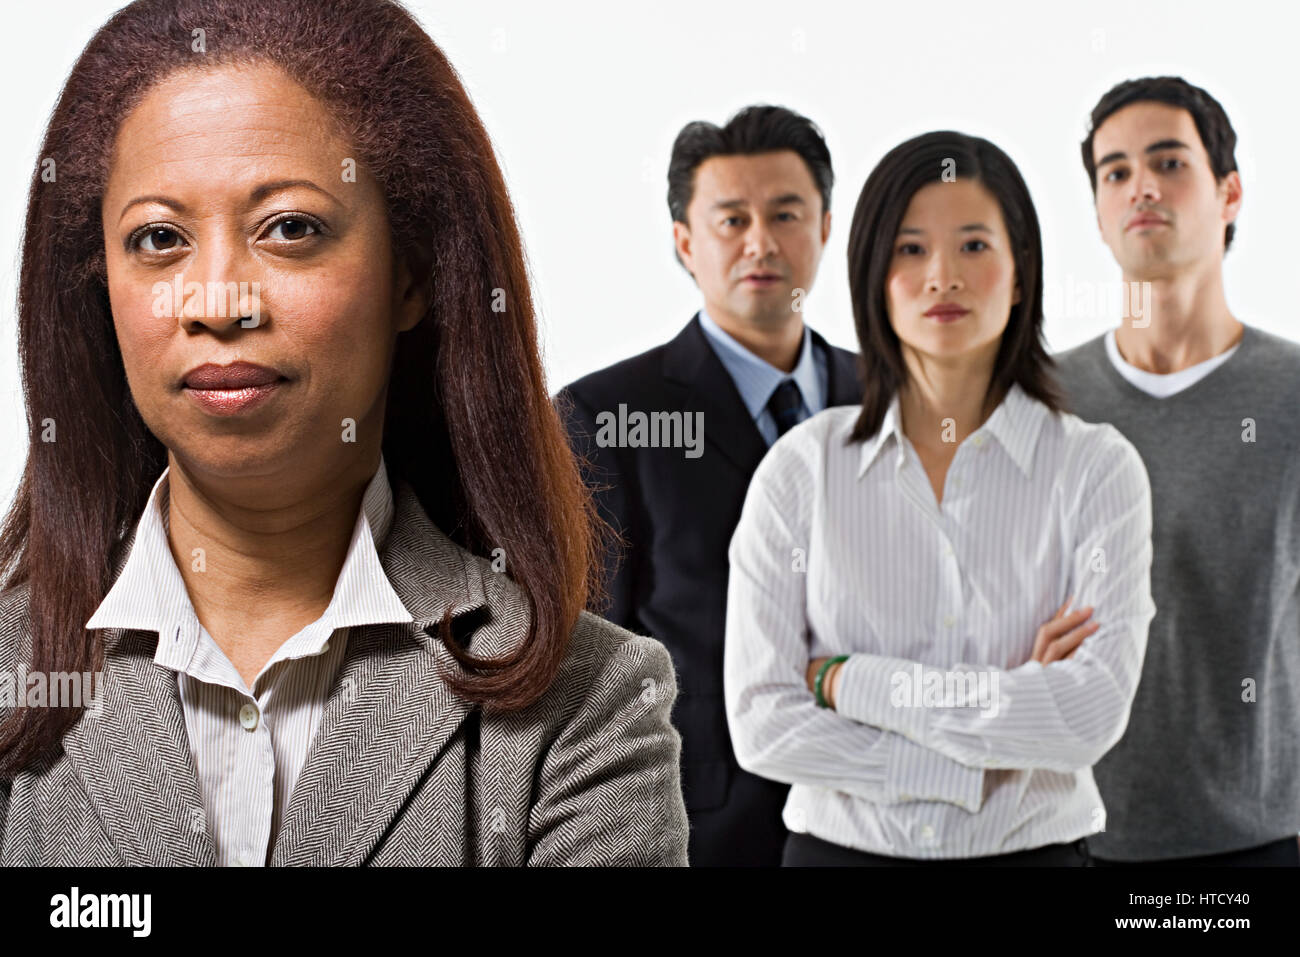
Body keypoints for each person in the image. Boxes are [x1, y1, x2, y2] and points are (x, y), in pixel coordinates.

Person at [0, 0, 687, 867]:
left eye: (290, 228)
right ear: (99, 285)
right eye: (159, 238)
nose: (216, 303)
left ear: (411, 276)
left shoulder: (587, 705)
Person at [725, 130, 1155, 866]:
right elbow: (763, 721)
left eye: (975, 247)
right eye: (911, 249)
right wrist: (999, 722)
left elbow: (1087, 717)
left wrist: (846, 679)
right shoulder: (801, 469)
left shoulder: (1095, 469)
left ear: (1022, 274)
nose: (942, 277)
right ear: (872, 274)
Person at [555, 105, 861, 865]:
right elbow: (593, 652)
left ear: (825, 227)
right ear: (686, 243)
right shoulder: (610, 413)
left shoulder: (894, 395)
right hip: (704, 820)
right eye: (731, 219)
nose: (760, 241)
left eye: (786, 213)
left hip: (884, 803)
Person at [1054, 76, 1300, 866]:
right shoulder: (1041, 399)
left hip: (1260, 841)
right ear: (1097, 210)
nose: (1142, 187)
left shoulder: (1292, 395)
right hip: (1063, 833)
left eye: (1168, 162)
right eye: (1115, 172)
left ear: (1229, 193)